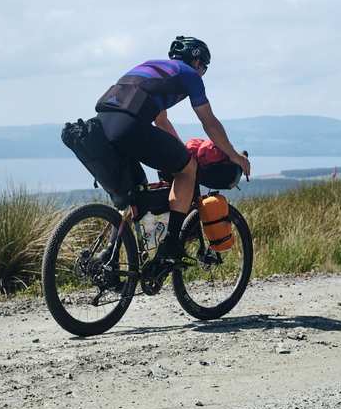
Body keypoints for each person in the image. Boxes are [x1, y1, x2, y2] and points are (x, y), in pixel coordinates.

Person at [95, 36, 251, 265]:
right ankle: (171, 244)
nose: (202, 72)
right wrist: (234, 155)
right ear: (197, 61)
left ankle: (109, 258)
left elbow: (161, 121)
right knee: (188, 170)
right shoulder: (188, 74)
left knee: (136, 192)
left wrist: (180, 152)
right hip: (129, 126)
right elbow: (209, 122)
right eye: (204, 67)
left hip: (103, 125)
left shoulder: (155, 69)